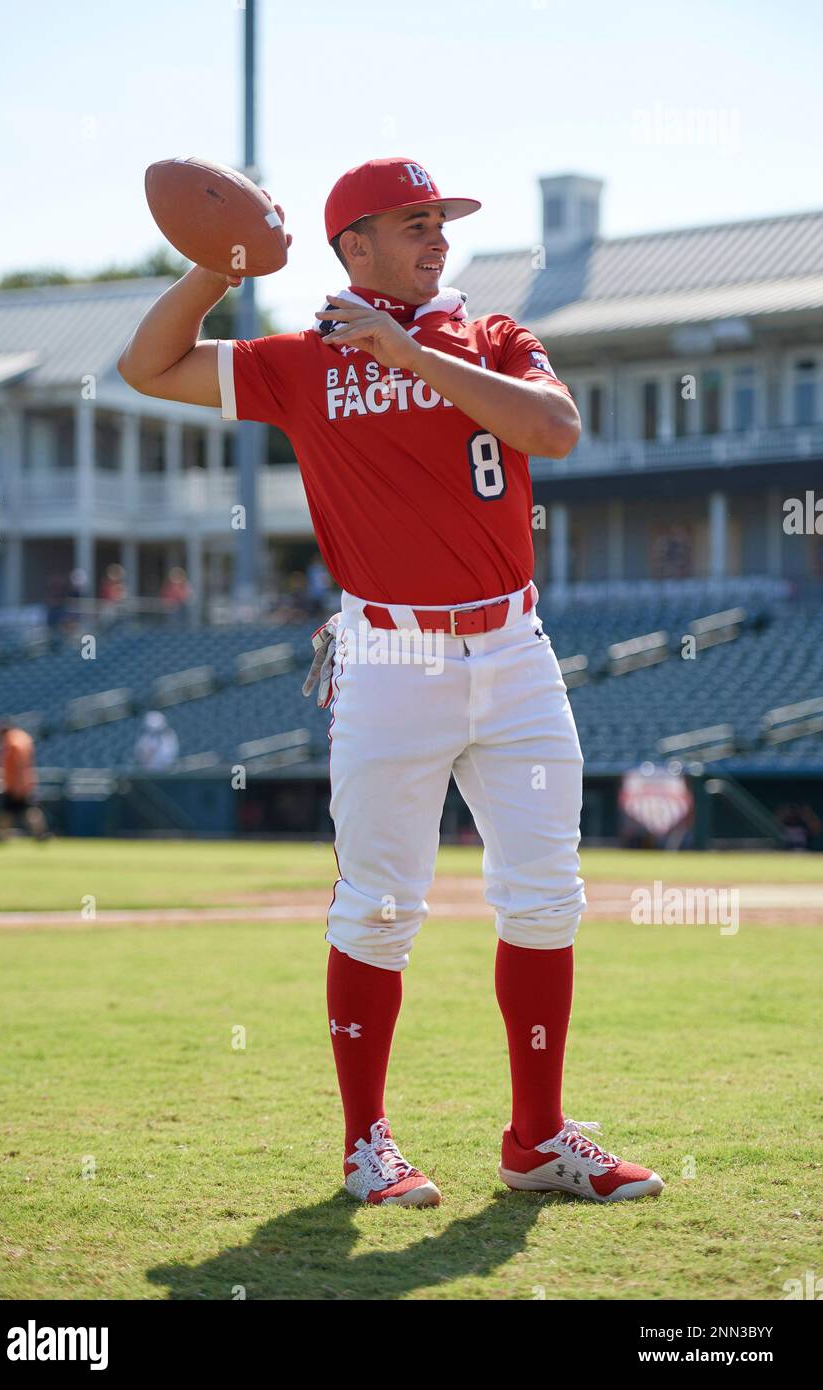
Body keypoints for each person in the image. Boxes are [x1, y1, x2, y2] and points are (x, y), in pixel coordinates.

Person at [118, 156, 663, 1208]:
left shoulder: (491, 334)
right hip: (389, 653)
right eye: (413, 223)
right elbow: (149, 367)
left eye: (439, 220)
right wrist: (213, 270)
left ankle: (536, 1139)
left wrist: (411, 353)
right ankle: (366, 1143)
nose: (437, 236)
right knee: (375, 907)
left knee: (546, 898)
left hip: (513, 648)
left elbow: (552, 429)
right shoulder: (302, 361)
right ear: (352, 245)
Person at [0, 721, 49, 841]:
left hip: (15, 784)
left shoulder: (12, 740)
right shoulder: (22, 736)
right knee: (29, 810)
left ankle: (2, 835)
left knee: (6, 811)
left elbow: (18, 764)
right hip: (25, 782)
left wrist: (17, 785)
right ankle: (40, 833)